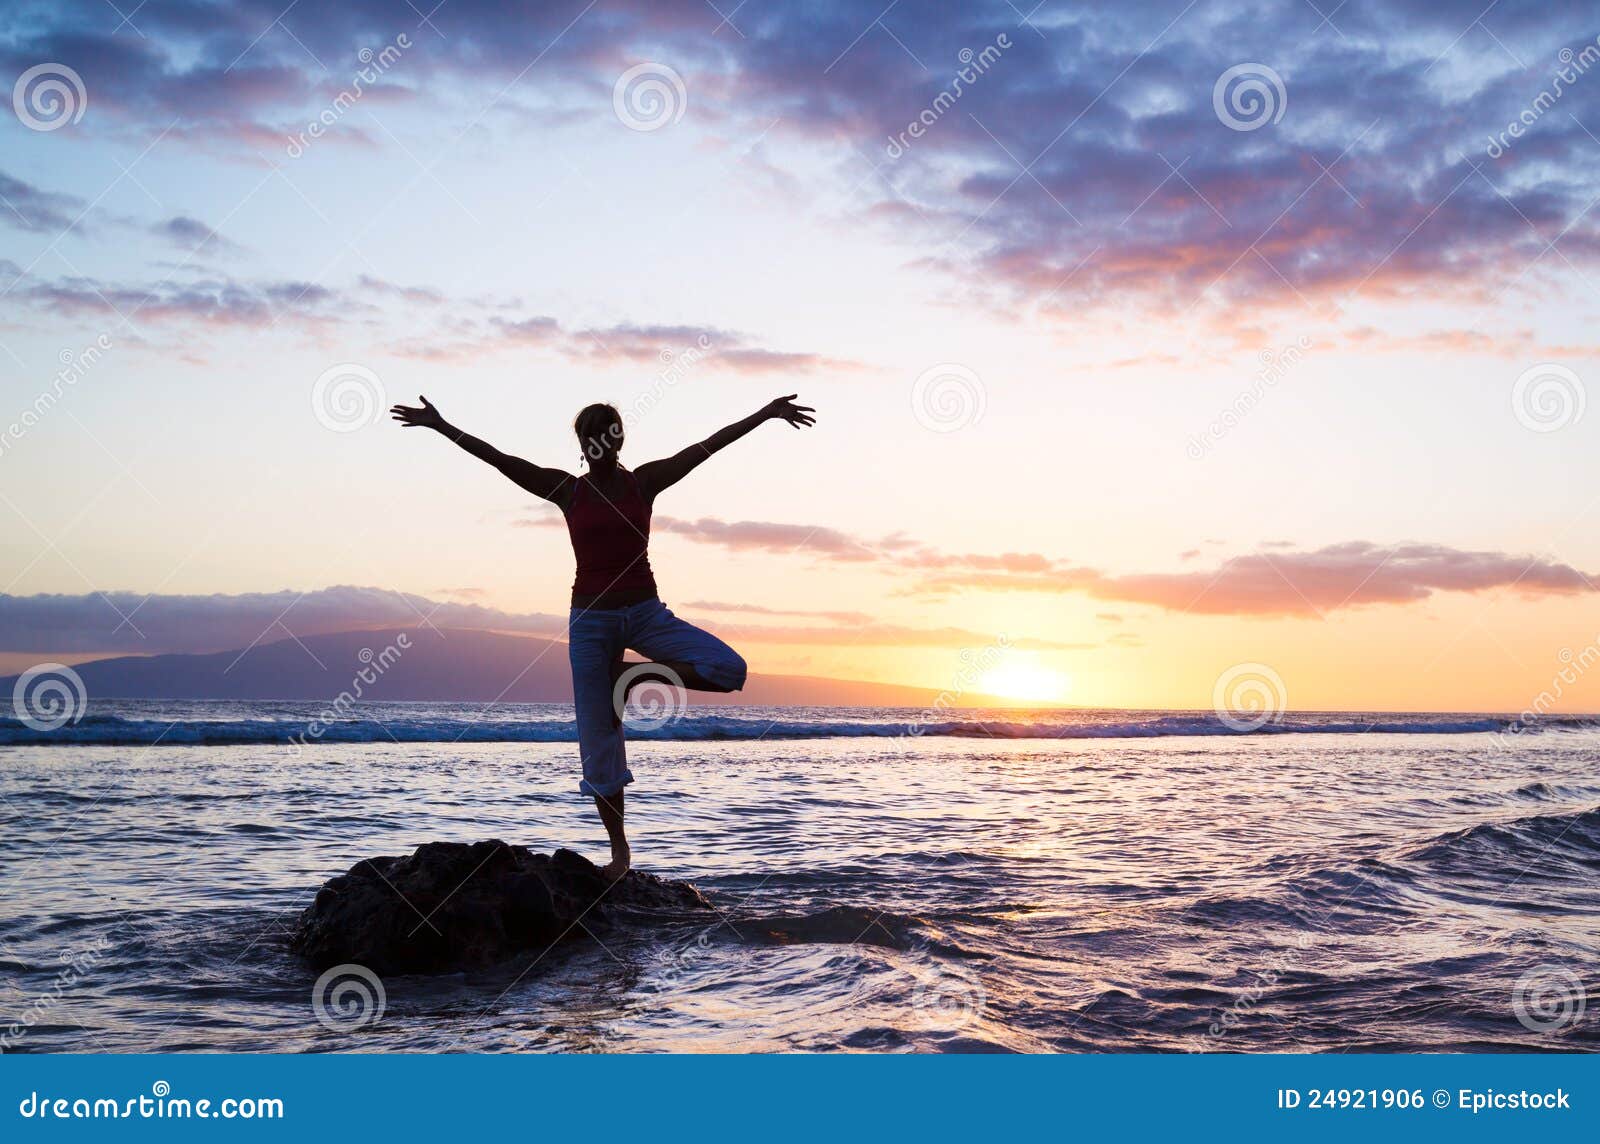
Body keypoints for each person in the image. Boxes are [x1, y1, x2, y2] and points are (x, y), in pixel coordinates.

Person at [390, 392, 817, 877]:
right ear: (582, 443)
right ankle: (620, 851)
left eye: (607, 434)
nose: (599, 444)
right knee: (599, 746)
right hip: (590, 624)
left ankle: (632, 677)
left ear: (618, 438)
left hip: (646, 614)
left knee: (728, 669)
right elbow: (500, 460)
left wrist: (763, 414)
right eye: (589, 437)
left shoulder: (645, 483)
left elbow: (706, 446)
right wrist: (441, 426)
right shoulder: (567, 491)